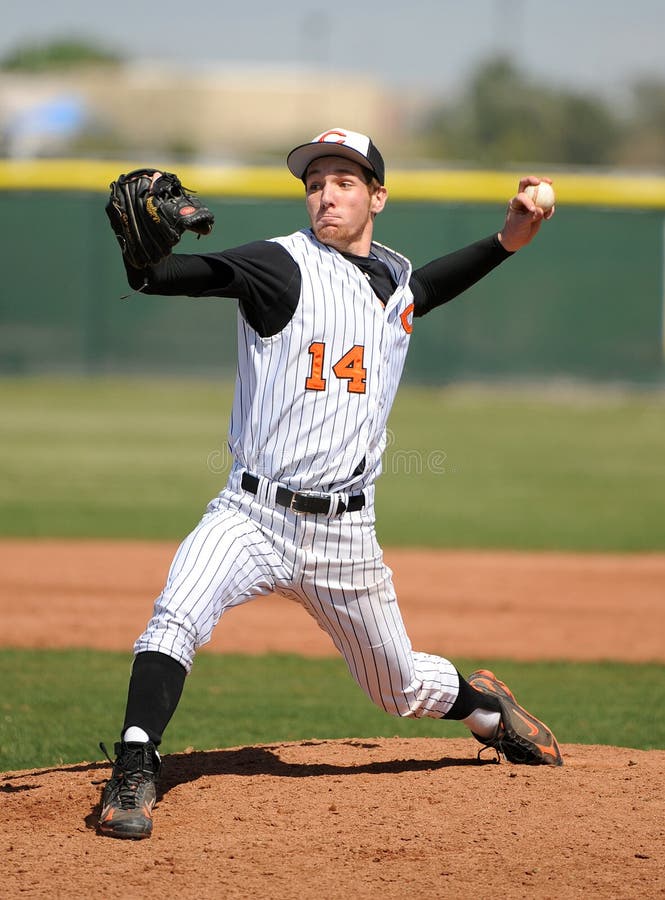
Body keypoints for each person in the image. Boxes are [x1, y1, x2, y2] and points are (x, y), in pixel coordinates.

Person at [98, 127, 562, 840]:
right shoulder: (277, 265)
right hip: (251, 515)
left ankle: (486, 712)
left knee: (398, 688)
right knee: (176, 614)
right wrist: (139, 254)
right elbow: (160, 278)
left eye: (344, 182)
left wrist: (507, 241)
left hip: (344, 535)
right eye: (315, 183)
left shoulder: (395, 280)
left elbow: (429, 286)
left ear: (377, 197)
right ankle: (134, 767)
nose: (325, 195)